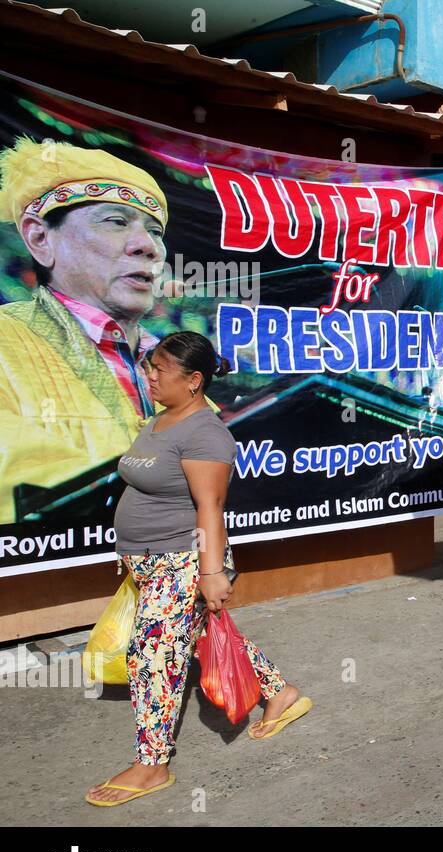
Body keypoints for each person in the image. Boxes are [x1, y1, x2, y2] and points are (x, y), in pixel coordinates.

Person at [85, 332, 311, 807]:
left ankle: (152, 765)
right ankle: (281, 692)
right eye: (148, 367)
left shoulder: (206, 434)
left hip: (186, 559)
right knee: (205, 635)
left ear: (193, 381)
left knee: (151, 657)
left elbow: (211, 508)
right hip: (150, 560)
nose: (148, 376)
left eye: (158, 370)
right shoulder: (159, 421)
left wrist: (211, 574)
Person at [0, 138, 169, 524]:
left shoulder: (168, 358)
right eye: (116, 221)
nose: (149, 247)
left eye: (156, 231)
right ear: (40, 238)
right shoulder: (5, 341)